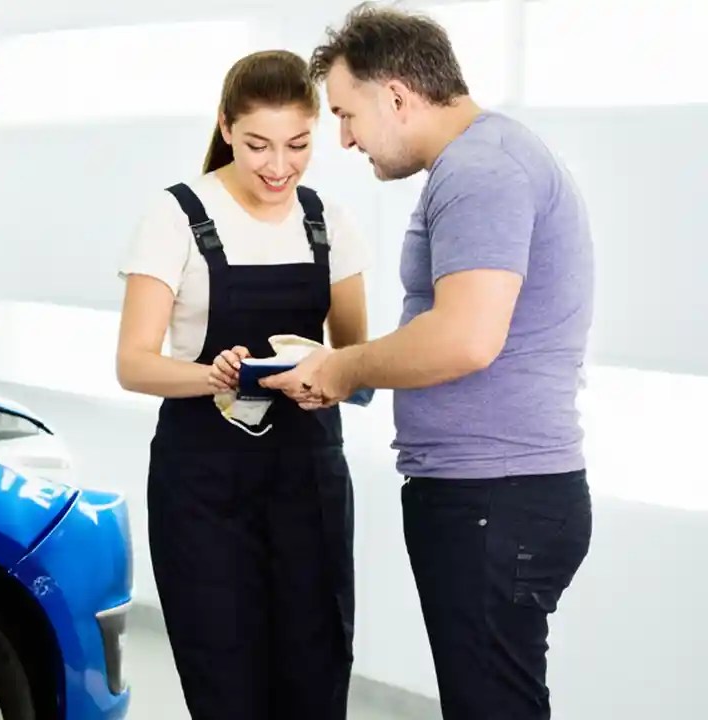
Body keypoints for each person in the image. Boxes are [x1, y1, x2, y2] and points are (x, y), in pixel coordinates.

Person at [264, 4, 595, 718]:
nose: (345, 139)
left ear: (395, 95)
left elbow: (466, 338)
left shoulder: (481, 170)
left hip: (494, 497)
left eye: (347, 114)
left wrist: (343, 368)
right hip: (497, 495)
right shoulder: (489, 158)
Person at [115, 49, 370, 719]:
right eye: (258, 144)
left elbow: (359, 358)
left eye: (298, 145)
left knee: (316, 677)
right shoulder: (176, 216)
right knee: (225, 681)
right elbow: (134, 363)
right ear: (226, 128)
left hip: (309, 486)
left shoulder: (329, 222)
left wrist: (329, 376)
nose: (279, 166)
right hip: (203, 491)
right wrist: (212, 375)